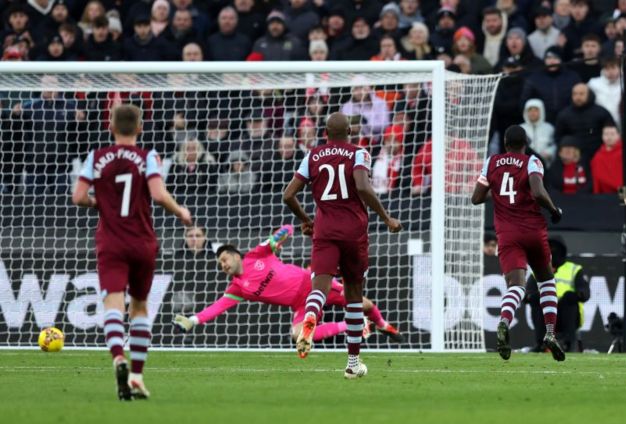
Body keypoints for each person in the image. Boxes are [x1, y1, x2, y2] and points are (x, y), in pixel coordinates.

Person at [71, 104, 192, 400]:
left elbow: (77, 197)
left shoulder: (96, 158)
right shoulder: (147, 156)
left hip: (111, 242)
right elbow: (158, 194)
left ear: (110, 127)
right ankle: (137, 375)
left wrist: (99, 203)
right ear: (139, 128)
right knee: (139, 307)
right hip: (142, 242)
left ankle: (117, 357)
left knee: (114, 305)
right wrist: (181, 212)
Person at [282, 112, 402, 378]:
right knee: (354, 297)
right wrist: (385, 217)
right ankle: (352, 363)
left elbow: (288, 194)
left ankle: (310, 318)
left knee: (319, 288)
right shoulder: (359, 153)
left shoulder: (312, 156)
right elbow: (362, 186)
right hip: (354, 233)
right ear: (350, 131)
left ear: (325, 132)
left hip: (324, 231)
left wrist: (306, 220)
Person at [172, 226, 403, 344]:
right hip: (299, 304)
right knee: (298, 336)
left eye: (224, 259)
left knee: (363, 303)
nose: (222, 265)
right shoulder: (238, 288)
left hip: (314, 284)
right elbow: (217, 307)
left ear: (235, 255)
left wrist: (279, 236)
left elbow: (287, 229)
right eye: (219, 263)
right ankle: (353, 325)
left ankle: (383, 325)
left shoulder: (257, 254)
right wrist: (192, 320)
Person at [471, 125, 565, 362]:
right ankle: (551, 334)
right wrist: (554, 210)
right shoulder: (532, 161)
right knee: (546, 280)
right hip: (533, 230)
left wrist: (500, 194)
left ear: (504, 142)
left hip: (508, 234)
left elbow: (476, 198)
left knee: (517, 285)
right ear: (526, 143)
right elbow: (537, 191)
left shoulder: (491, 162)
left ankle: (504, 321)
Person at [526, 236, 590, 352]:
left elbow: (585, 293)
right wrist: (532, 296)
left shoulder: (573, 269)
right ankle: (542, 343)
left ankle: (569, 343)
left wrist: (576, 295)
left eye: (554, 249)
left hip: (567, 313)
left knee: (568, 300)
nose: (552, 252)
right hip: (545, 313)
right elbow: (527, 294)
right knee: (541, 301)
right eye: (548, 248)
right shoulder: (538, 270)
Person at [591, 123, 626, 194]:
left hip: (623, 191)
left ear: (619, 135)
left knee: (624, 204)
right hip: (604, 193)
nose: (609, 137)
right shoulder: (598, 155)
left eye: (612, 134)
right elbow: (596, 179)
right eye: (606, 134)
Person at [520, 98, 556, 165]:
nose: (533, 113)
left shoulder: (549, 128)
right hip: (525, 165)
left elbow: (554, 145)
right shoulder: (521, 128)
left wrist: (549, 152)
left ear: (541, 111)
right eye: (530, 110)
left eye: (536, 110)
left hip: (545, 164)